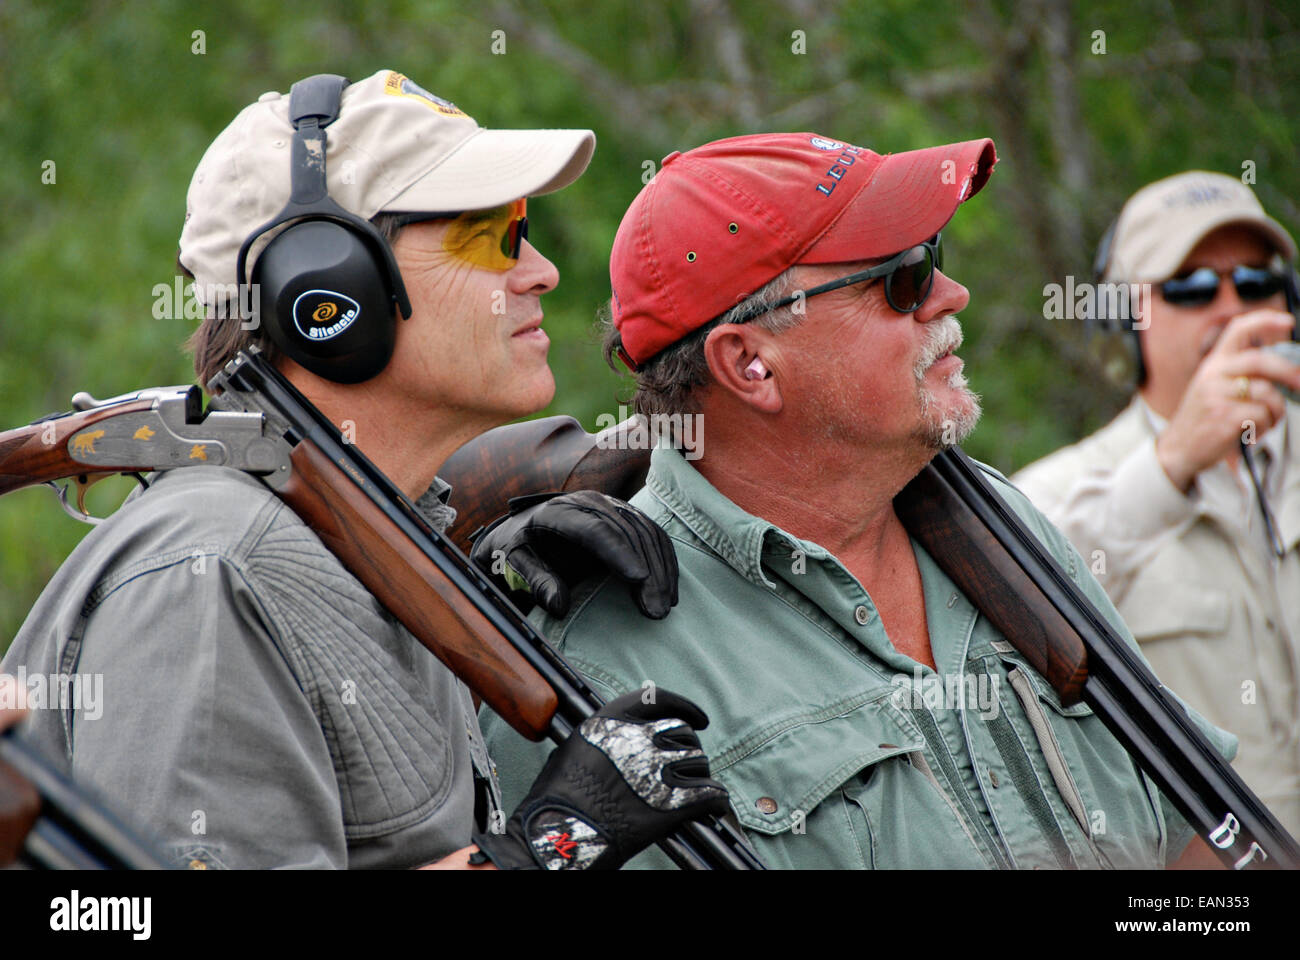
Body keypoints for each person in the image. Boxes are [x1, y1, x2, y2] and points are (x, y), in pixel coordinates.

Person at [0, 69, 729, 870]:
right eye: (493, 235)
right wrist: (542, 850)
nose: (542, 270)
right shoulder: (218, 569)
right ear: (329, 288)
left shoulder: (371, 544)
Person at [482, 133, 1237, 869]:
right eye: (902, 277)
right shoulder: (595, 667)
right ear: (751, 365)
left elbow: (1193, 838)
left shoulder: (1001, 528)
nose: (949, 294)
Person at [1012, 172, 1300, 838]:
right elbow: (1018, 621)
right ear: (1123, 321)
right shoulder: (1048, 496)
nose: (1231, 307)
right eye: (1191, 288)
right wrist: (1174, 464)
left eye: (1256, 282)